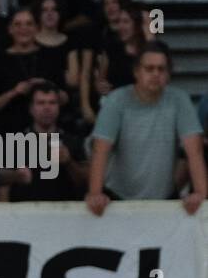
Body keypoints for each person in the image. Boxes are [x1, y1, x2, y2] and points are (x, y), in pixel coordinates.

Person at [86, 44, 207, 215]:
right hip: (116, 197)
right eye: (149, 68)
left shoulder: (180, 100)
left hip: (164, 198)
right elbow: (101, 149)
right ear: (136, 72)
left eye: (161, 69)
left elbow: (194, 149)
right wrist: (95, 194)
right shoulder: (116, 100)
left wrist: (200, 193)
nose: (155, 74)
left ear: (168, 74)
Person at [0, 9, 68, 134]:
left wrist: (47, 85)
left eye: (29, 24)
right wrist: (14, 92)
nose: (23, 28)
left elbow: (65, 99)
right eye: (18, 24)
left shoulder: (50, 57)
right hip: (10, 133)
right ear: (10, 29)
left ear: (37, 28)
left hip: (47, 133)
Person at [3, 83, 85, 200]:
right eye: (41, 103)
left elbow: (85, 183)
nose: (47, 108)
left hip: (66, 212)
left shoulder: (72, 141)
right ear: (31, 108)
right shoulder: (15, 143)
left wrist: (69, 162)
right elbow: (2, 187)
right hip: (23, 213)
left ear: (59, 107)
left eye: (52, 103)